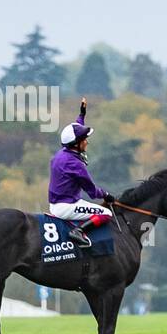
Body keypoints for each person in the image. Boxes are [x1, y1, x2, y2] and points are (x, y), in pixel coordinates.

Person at [48, 98, 114, 247]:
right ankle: (78, 231)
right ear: (76, 143)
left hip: (55, 203)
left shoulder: (62, 153)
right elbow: (92, 191)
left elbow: (76, 130)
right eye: (84, 139)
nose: (87, 142)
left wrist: (81, 114)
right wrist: (106, 195)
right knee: (106, 214)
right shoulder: (75, 164)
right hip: (66, 207)